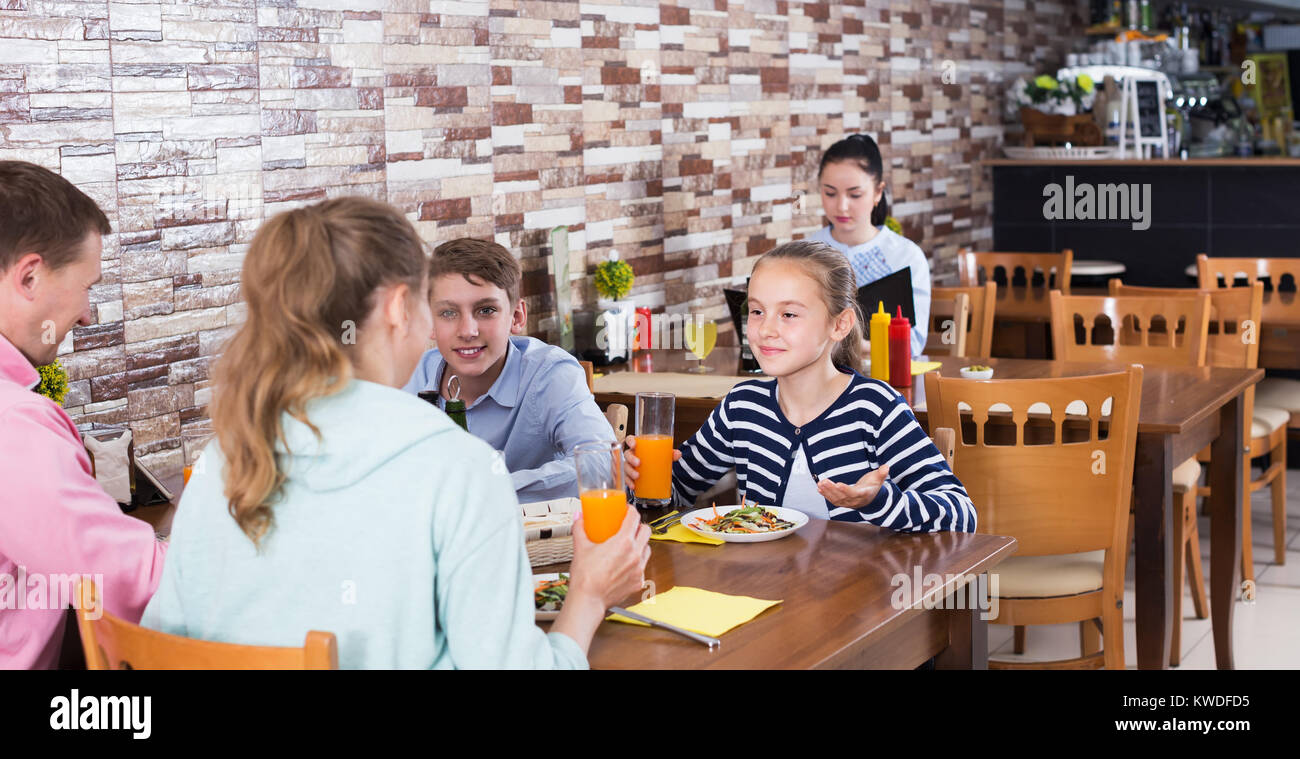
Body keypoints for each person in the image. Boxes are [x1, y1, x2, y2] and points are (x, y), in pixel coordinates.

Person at [143, 198, 649, 669]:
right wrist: (588, 595)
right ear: (398, 308)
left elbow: (157, 648)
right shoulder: (459, 471)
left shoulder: (223, 459)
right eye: (439, 309)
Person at [623, 240, 975, 532]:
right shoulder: (742, 407)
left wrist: (881, 501)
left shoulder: (875, 409)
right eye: (757, 312)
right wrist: (637, 480)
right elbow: (674, 495)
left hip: (860, 604)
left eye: (789, 314)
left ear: (839, 325)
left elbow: (962, 516)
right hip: (763, 596)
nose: (766, 329)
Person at [0, 160, 167, 668]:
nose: (88, 313)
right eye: (87, 286)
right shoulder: (14, 423)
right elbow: (127, 579)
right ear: (29, 276)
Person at [402, 238, 613, 502]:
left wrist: (488, 491)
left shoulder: (550, 374)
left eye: (486, 310)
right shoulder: (408, 379)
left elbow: (602, 464)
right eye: (448, 313)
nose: (468, 331)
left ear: (516, 316)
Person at [808, 134, 931, 358]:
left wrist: (854, 346)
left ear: (878, 192)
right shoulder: (807, 252)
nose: (842, 206)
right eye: (830, 193)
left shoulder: (904, 256)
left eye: (855, 194)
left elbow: (912, 345)